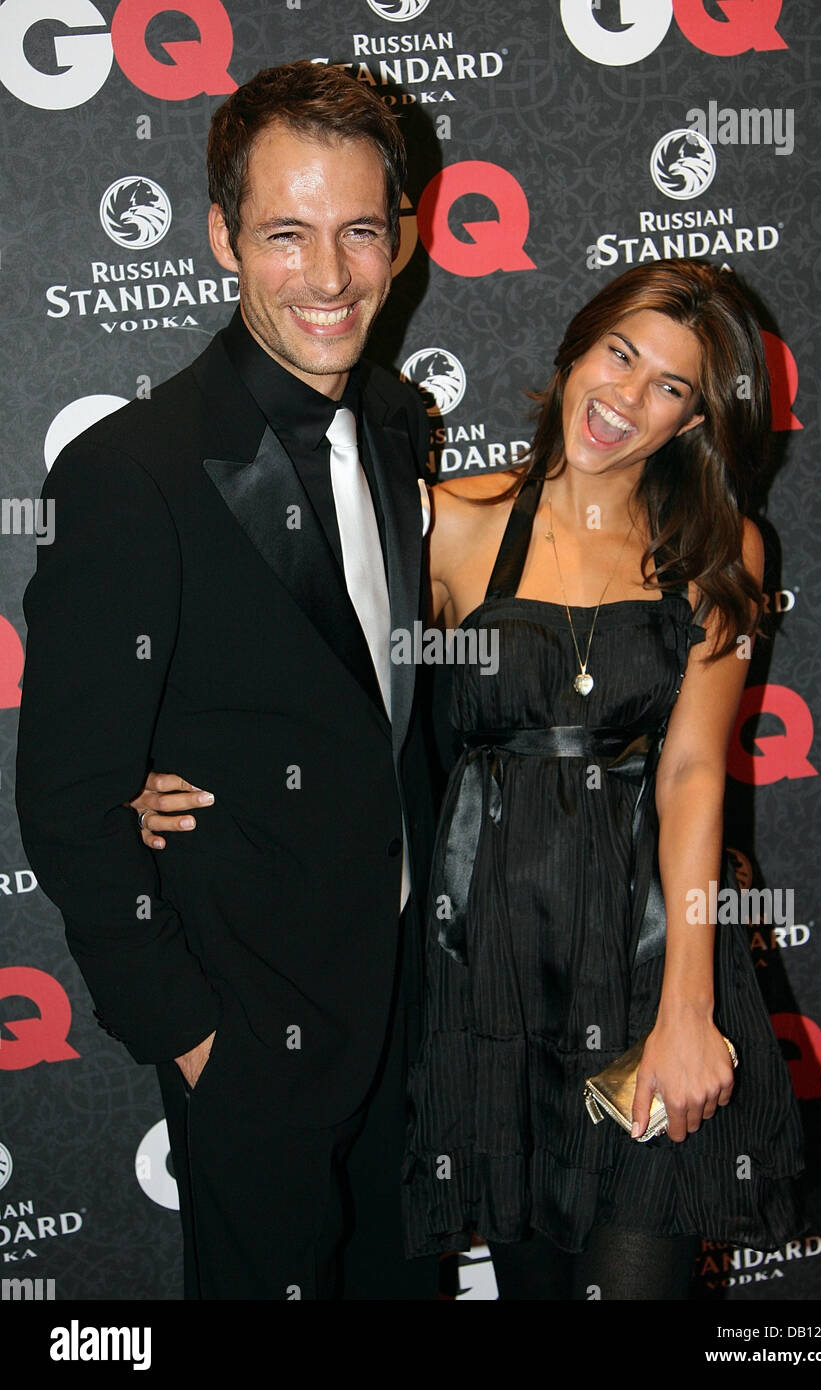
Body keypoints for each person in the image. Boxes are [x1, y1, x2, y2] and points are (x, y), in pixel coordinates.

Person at [138, 259, 806, 1300]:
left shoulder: (721, 549)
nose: (626, 399)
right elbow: (307, 679)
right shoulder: (448, 522)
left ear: (690, 420)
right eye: (619, 355)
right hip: (488, 962)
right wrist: (162, 766)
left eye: (668, 386)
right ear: (575, 349)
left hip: (641, 959)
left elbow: (688, 774)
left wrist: (685, 1006)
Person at [15, 61, 437, 1301]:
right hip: (254, 1027)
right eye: (286, 233)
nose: (328, 275)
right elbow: (70, 800)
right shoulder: (129, 472)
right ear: (220, 238)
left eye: (360, 230)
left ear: (400, 237)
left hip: (416, 1008)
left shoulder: (403, 422)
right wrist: (194, 1040)